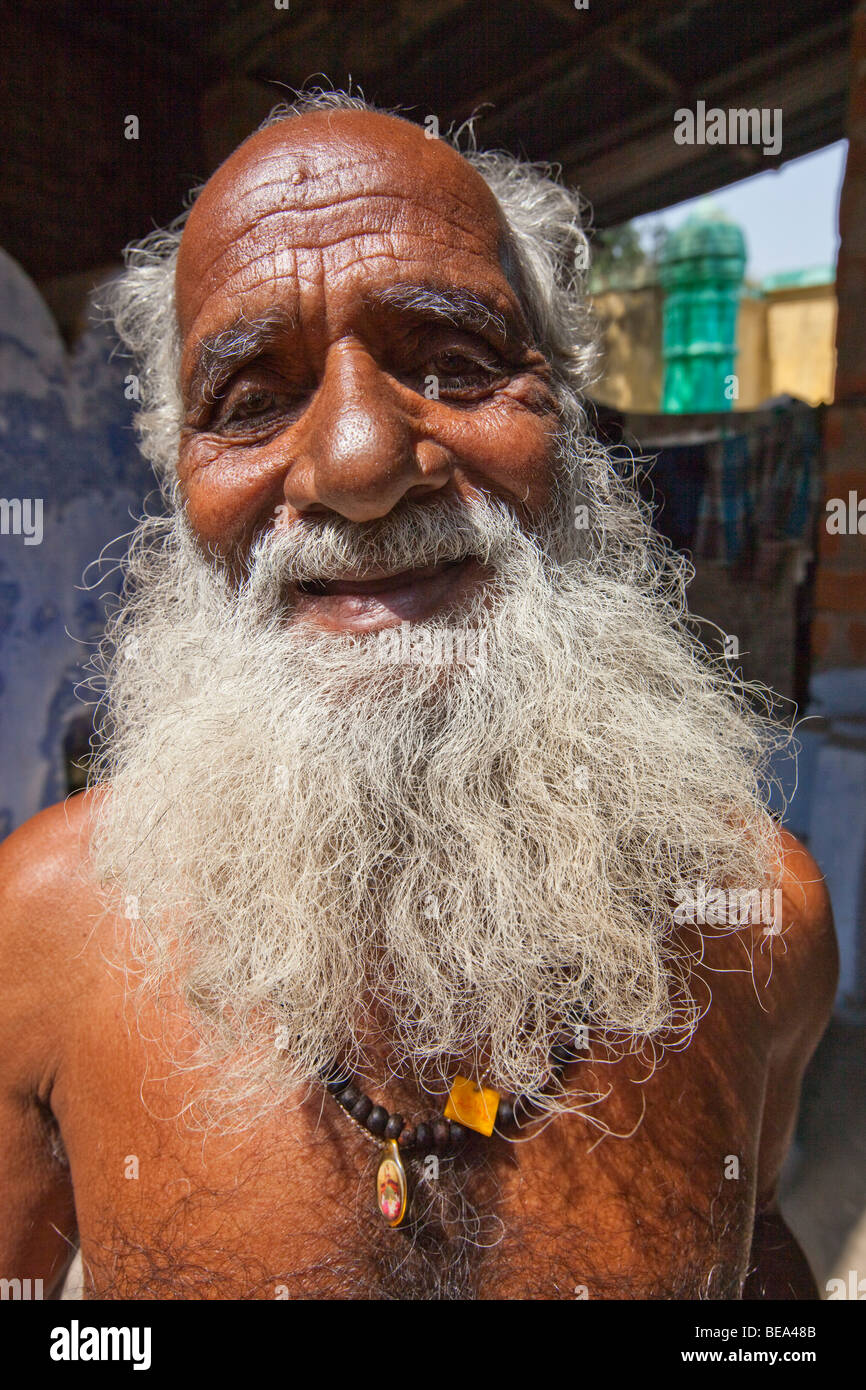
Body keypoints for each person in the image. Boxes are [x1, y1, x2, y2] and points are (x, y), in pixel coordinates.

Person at [0, 90, 836, 1300]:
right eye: (251, 398)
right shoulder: (40, 936)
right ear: (176, 482)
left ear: (569, 421)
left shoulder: (756, 919)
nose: (357, 463)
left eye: (454, 364)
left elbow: (754, 1252)